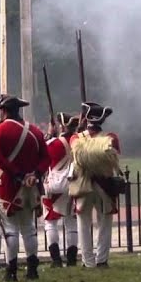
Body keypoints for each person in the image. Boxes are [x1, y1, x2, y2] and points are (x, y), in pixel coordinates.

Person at [0, 95, 50, 282]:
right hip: (31, 185)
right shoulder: (35, 131)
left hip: (8, 185)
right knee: (29, 228)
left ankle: (11, 270)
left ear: (3, 110)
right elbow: (46, 158)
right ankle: (32, 270)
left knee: (10, 229)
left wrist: (19, 175)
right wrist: (35, 175)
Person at [70, 102, 123, 268]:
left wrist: (81, 133)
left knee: (83, 224)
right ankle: (102, 260)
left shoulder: (76, 138)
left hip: (83, 184)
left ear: (86, 119)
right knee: (104, 223)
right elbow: (115, 157)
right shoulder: (111, 139)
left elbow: (77, 158)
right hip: (104, 185)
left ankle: (88, 261)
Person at [42, 113, 81, 267]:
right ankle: (71, 259)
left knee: (50, 222)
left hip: (54, 186)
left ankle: (56, 260)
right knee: (71, 223)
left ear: (62, 126)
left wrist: (50, 134)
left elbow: (42, 153)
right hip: (72, 185)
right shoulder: (79, 142)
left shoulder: (53, 143)